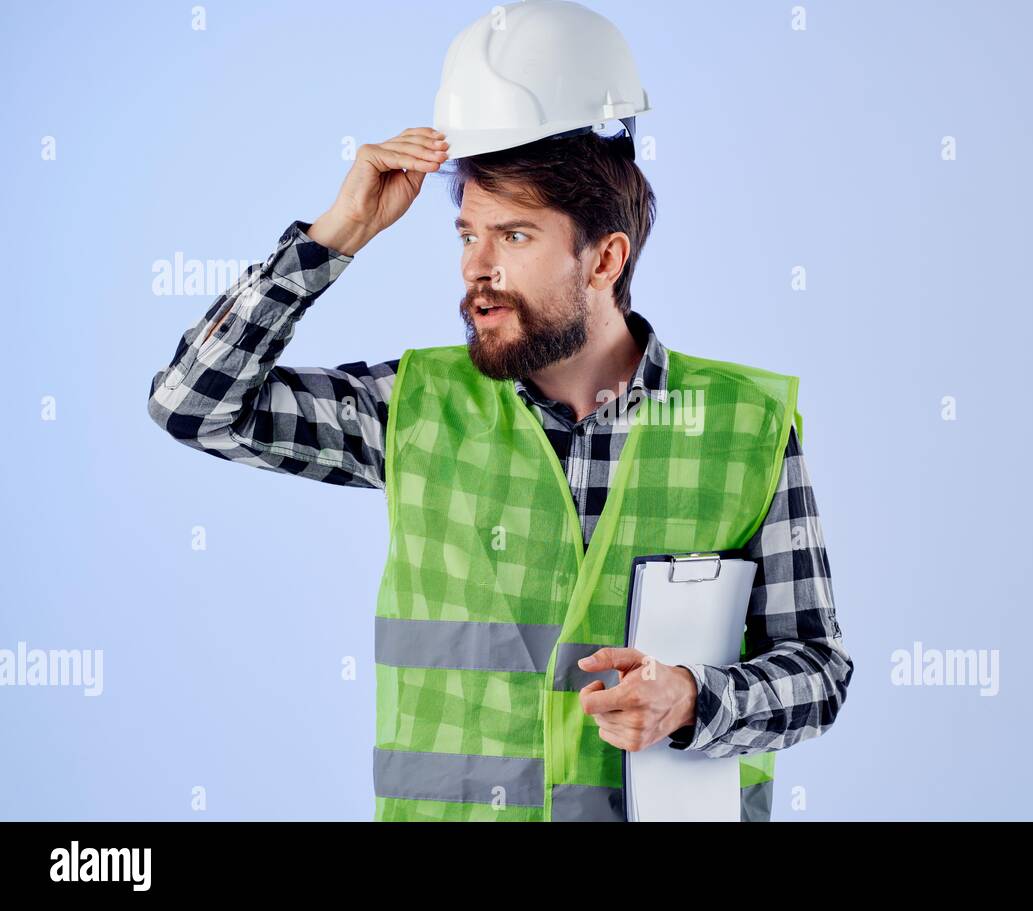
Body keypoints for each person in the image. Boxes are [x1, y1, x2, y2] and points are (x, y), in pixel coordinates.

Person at [147, 123, 853, 821]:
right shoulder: (414, 407)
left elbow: (819, 671)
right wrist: (335, 234)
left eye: (513, 236)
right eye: (466, 236)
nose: (474, 268)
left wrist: (697, 698)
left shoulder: (745, 423)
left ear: (605, 260)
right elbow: (193, 404)